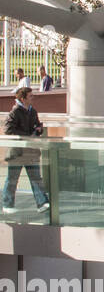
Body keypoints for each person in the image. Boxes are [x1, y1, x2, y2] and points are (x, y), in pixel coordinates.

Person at [3, 87, 49, 215]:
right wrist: (26, 135)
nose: (33, 98)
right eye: (30, 96)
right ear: (23, 99)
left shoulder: (32, 111)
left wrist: (39, 129)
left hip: (30, 151)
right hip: (17, 152)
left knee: (36, 177)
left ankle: (42, 203)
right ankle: (7, 204)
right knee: (12, 179)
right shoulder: (15, 112)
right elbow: (8, 129)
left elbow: (36, 125)